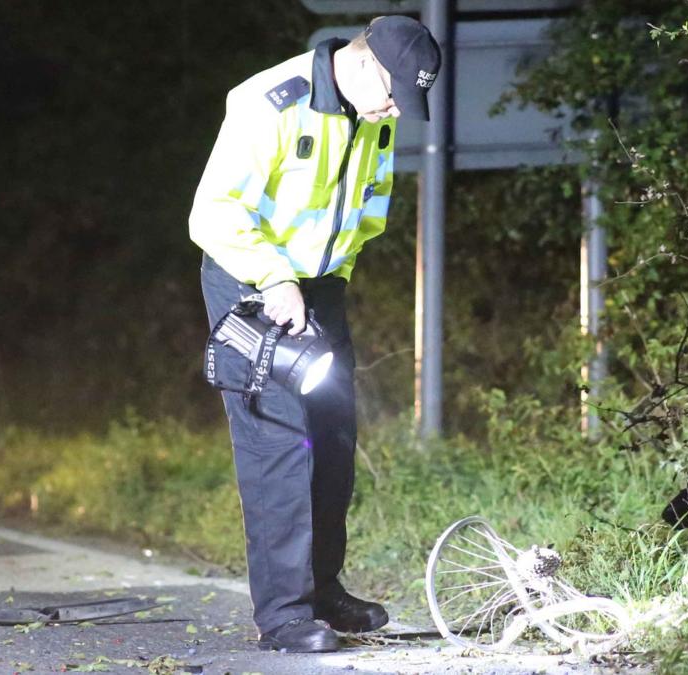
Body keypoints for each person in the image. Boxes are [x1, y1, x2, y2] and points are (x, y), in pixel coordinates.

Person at [188, 16, 441, 653]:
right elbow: (214, 211)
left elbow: (368, 203)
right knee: (277, 445)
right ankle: (283, 616)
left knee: (332, 437)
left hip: (319, 290)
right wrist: (274, 280)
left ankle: (322, 590)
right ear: (361, 65)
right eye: (392, 94)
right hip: (252, 283)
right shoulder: (269, 101)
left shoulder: (374, 113)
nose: (394, 111)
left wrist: (333, 278)